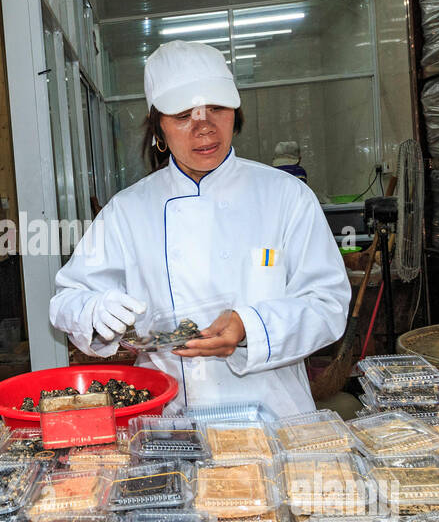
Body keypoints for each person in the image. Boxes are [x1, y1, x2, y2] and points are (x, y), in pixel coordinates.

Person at [48, 41, 350, 419]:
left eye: (217, 108)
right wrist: (92, 310)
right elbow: (66, 299)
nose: (203, 126)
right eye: (183, 115)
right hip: (171, 422)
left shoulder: (287, 197)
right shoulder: (128, 210)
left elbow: (328, 305)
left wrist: (249, 327)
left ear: (234, 113)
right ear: (158, 125)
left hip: (274, 416)